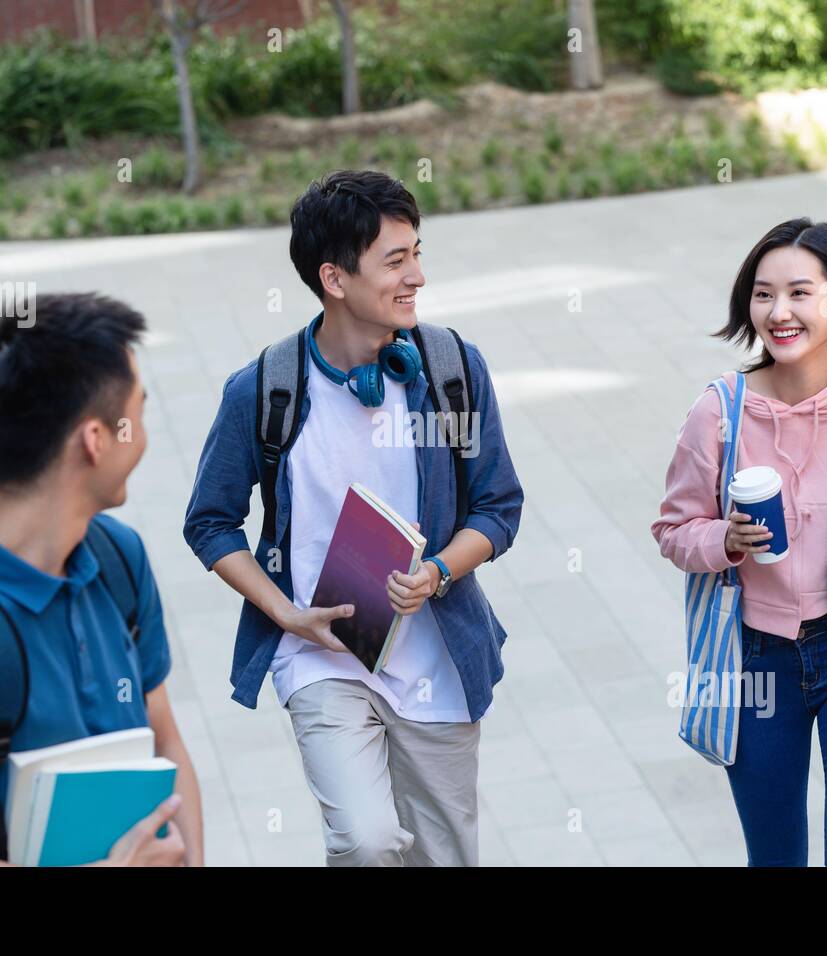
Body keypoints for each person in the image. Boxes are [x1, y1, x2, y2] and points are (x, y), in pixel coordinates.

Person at [184, 169, 523, 866]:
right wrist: (284, 613)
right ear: (334, 279)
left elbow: (499, 507)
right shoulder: (264, 390)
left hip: (436, 662)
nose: (418, 277)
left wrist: (436, 572)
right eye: (395, 261)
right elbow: (210, 522)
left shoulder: (454, 368)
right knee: (366, 841)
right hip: (320, 659)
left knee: (443, 856)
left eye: (417, 253)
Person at [0, 293, 202, 866]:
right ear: (95, 441)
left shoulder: (119, 560)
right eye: (139, 414)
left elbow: (165, 741)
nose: (147, 435)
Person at [651, 217, 827, 866]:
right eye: (763, 292)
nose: (778, 311)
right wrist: (726, 539)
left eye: (800, 292)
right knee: (776, 857)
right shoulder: (718, 412)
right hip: (754, 662)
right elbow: (672, 530)